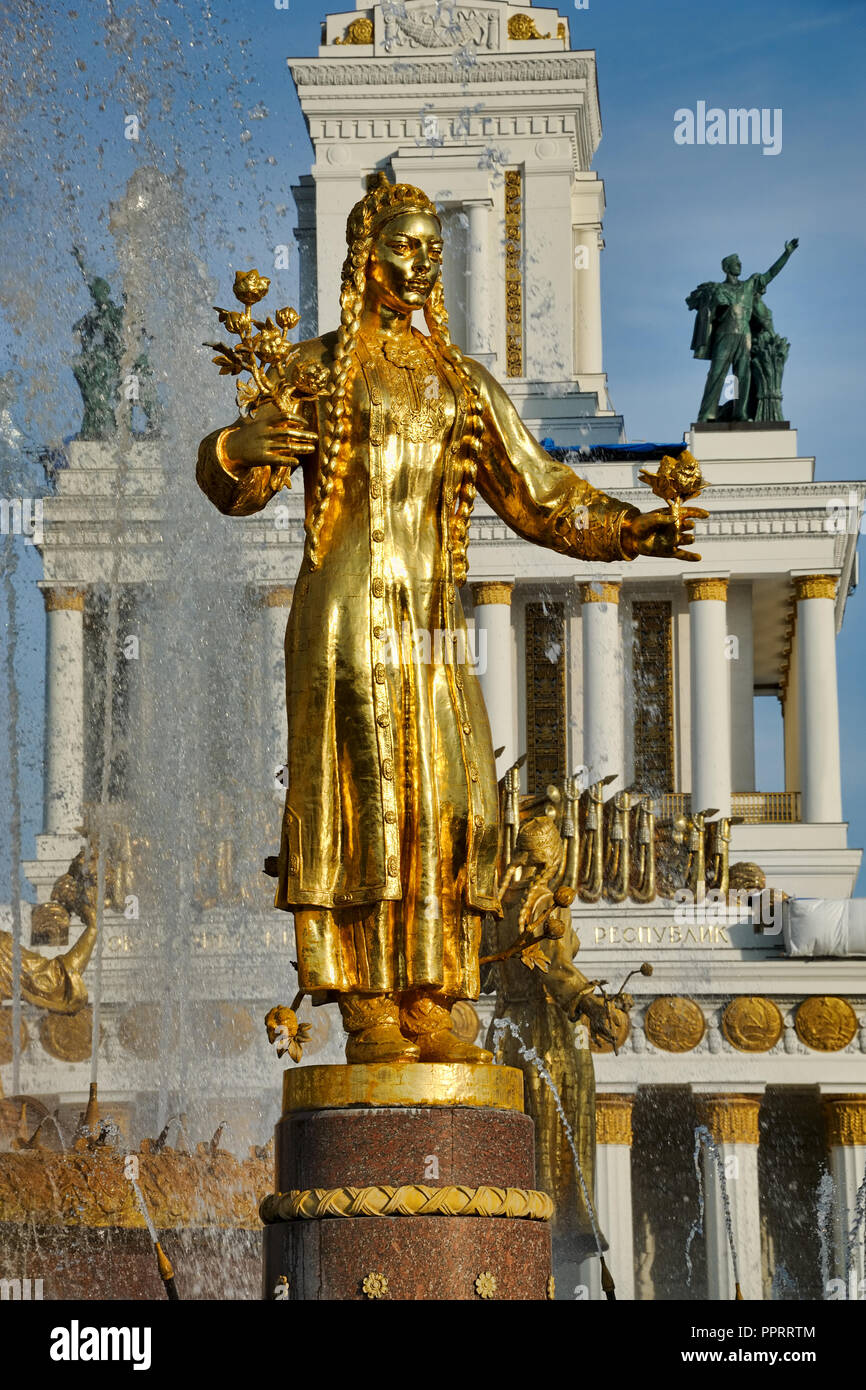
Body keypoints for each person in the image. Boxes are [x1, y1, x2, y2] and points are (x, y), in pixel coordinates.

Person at [196, 177, 704, 1065]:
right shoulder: (315, 369)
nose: (422, 262)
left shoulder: (461, 384)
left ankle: (430, 993)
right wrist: (233, 449)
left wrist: (635, 528)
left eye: (433, 247)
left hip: (430, 622)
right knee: (364, 798)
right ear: (365, 254)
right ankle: (365, 1002)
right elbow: (240, 485)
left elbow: (541, 495)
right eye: (405, 245)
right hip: (344, 616)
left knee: (442, 798)